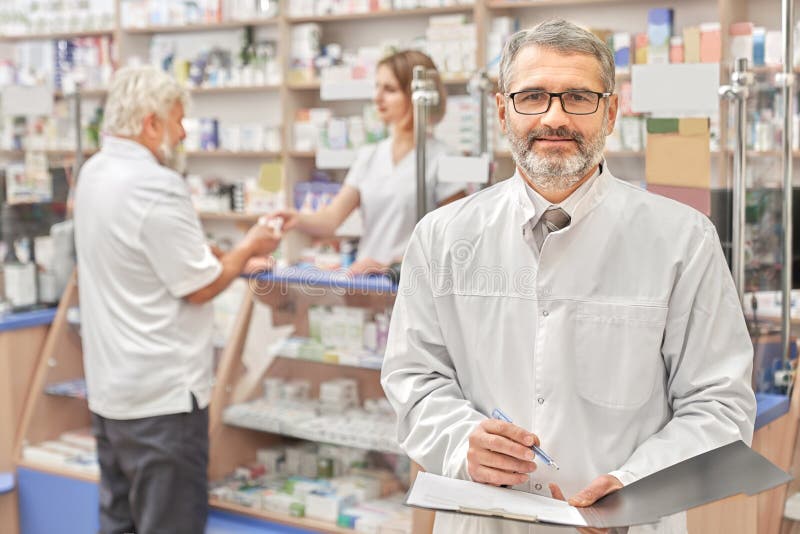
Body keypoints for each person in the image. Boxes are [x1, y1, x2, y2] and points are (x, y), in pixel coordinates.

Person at [381, 19, 756, 534]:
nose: (554, 117)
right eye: (532, 96)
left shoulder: (682, 239)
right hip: (486, 521)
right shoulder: (441, 236)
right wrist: (460, 441)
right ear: (501, 110)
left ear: (612, 111)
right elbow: (413, 379)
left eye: (579, 97)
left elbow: (721, 404)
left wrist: (639, 484)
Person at [73, 65, 281, 534]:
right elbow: (199, 287)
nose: (184, 131)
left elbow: (140, 258)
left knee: (119, 523)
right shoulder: (154, 184)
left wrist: (212, 258)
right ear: (151, 123)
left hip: (112, 396)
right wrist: (249, 247)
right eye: (178, 119)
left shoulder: (93, 173)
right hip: (162, 405)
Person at [272, 50, 463, 275]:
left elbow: (453, 237)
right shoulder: (370, 155)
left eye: (389, 90)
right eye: (377, 87)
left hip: (412, 283)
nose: (377, 97)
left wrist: (390, 265)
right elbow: (331, 219)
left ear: (417, 96)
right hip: (366, 283)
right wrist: (295, 219)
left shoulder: (446, 158)